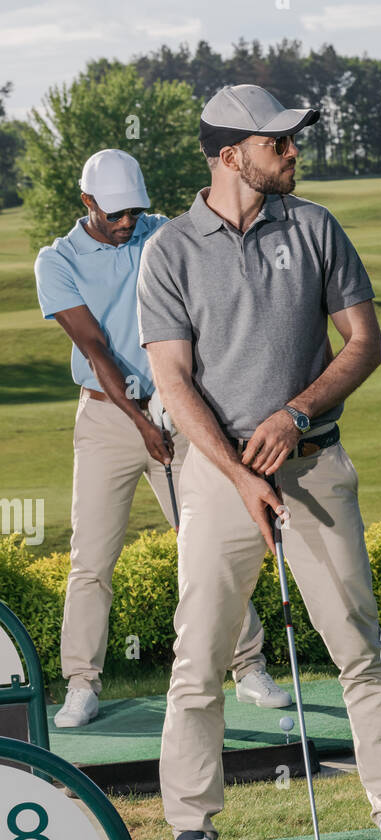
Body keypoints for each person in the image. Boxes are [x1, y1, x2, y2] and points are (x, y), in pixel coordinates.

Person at [137, 85, 381, 840]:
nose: (294, 152)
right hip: (216, 477)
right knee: (198, 661)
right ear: (231, 155)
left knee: (358, 647)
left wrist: (296, 414)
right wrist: (239, 474)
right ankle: (191, 829)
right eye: (279, 143)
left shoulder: (314, 227)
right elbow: (172, 381)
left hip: (314, 467)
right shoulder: (170, 250)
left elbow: (364, 342)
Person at [33, 149, 286, 729]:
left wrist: (177, 406)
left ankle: (248, 667)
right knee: (91, 558)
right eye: (115, 213)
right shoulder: (59, 260)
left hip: (182, 412)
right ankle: (81, 684)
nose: (128, 222)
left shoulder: (163, 234)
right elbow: (95, 349)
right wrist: (143, 421)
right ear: (87, 202)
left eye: (134, 211)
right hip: (108, 421)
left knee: (213, 541)